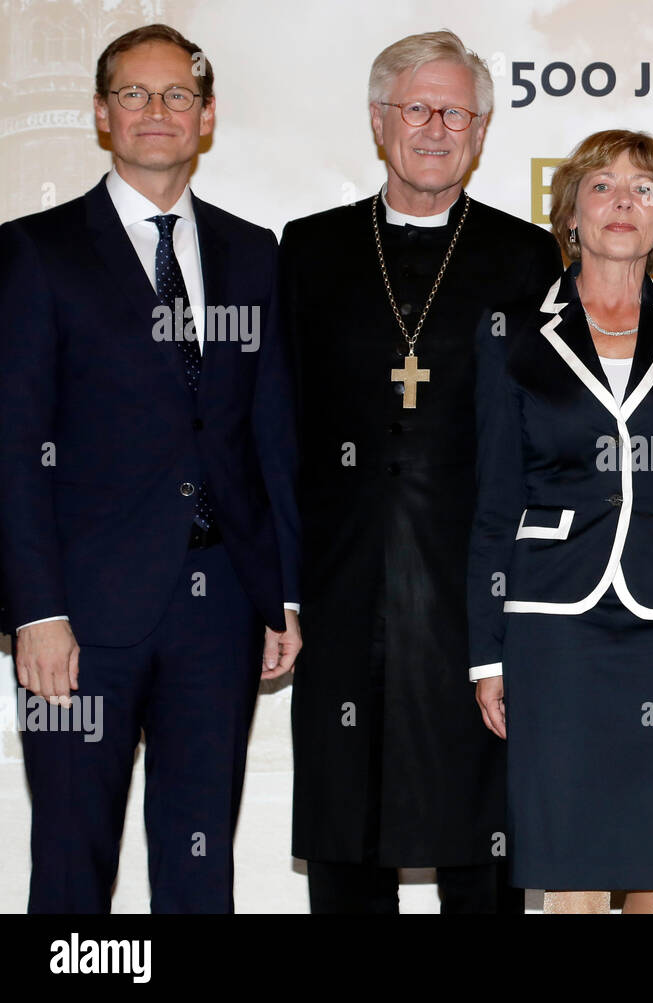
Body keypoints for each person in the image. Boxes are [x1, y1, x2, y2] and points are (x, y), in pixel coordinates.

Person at [0, 24, 301, 913]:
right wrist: (35, 611)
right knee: (69, 857)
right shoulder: (35, 251)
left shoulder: (254, 253)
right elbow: (13, 445)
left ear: (207, 118)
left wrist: (279, 591)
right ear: (101, 113)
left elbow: (269, 433)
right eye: (134, 93)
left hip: (220, 612)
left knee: (199, 859)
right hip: (80, 614)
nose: (156, 111)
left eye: (177, 95)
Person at [282, 30, 561, 914]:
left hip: (474, 597)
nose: (437, 129)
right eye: (417, 109)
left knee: (482, 844)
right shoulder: (311, 249)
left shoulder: (526, 258)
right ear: (378, 121)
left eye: (457, 114)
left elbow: (547, 438)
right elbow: (277, 428)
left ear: (480, 134)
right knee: (346, 835)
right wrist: (278, 590)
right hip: (342, 590)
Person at [468, 129, 653, 914]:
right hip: (555, 627)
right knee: (572, 859)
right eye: (601, 186)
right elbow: (493, 500)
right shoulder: (512, 333)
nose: (621, 202)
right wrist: (485, 653)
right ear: (570, 215)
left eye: (643, 189)